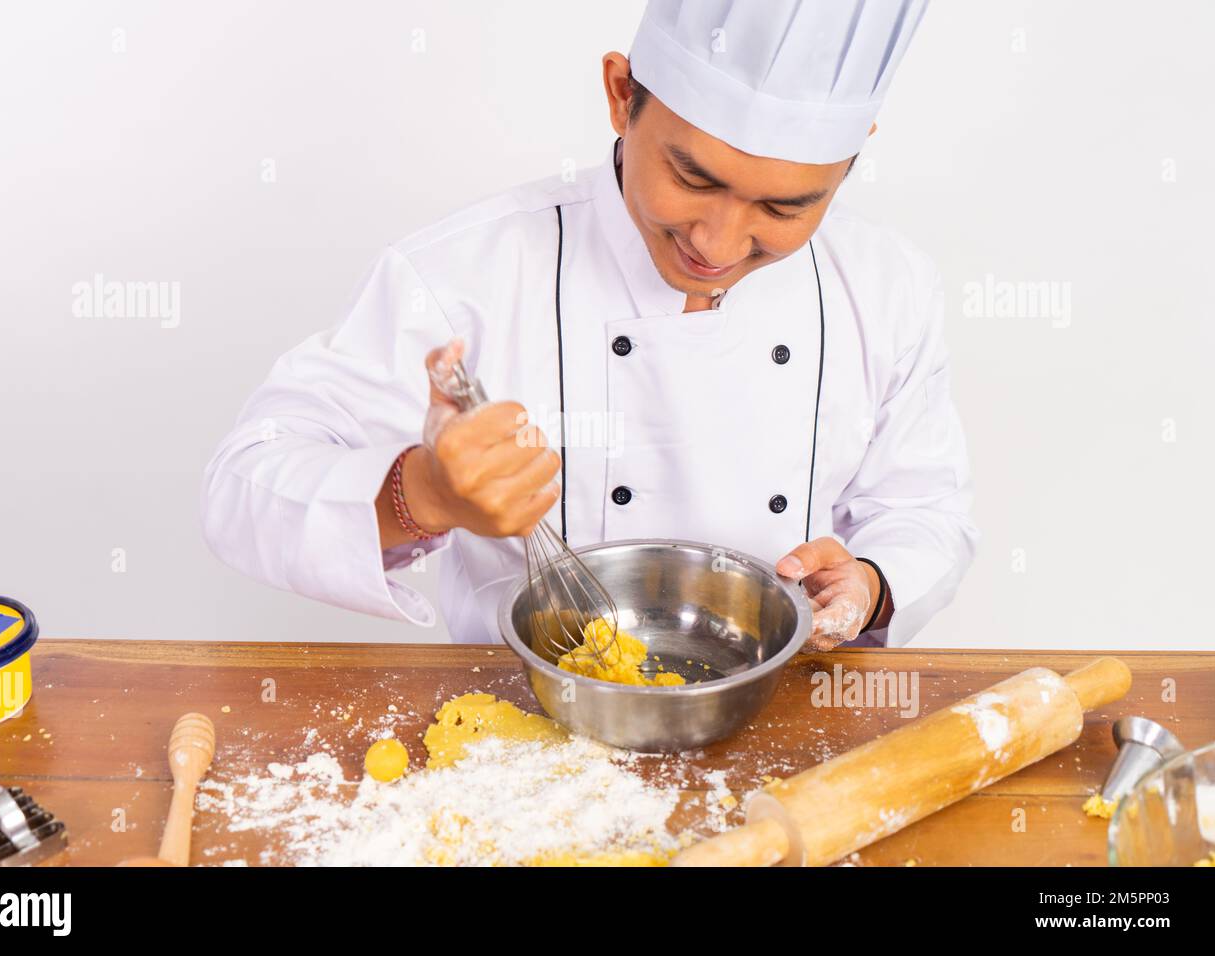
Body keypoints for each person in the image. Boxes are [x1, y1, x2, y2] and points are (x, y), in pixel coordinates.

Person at [202, 0, 977, 651]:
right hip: (517, 728)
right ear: (620, 93)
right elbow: (242, 486)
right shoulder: (460, 274)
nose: (717, 244)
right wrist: (421, 493)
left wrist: (872, 584)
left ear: (851, 163)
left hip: (786, 719)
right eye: (692, 177)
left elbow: (923, 511)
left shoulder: (886, 285)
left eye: (784, 207)